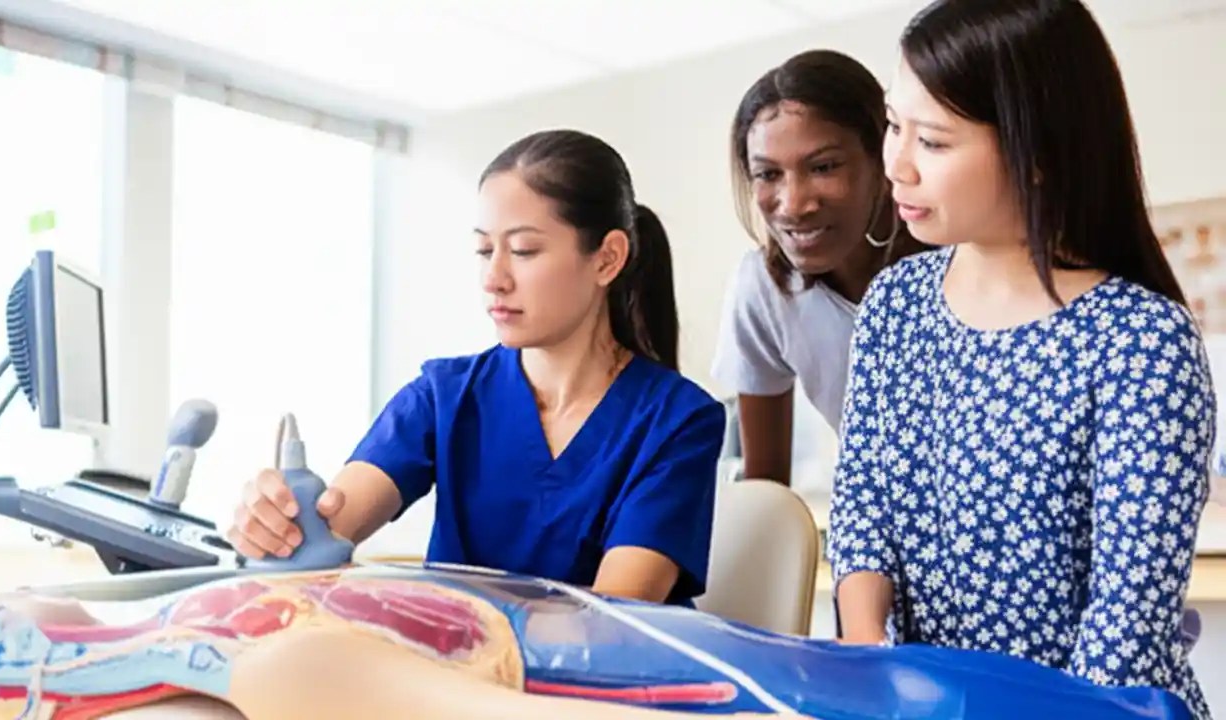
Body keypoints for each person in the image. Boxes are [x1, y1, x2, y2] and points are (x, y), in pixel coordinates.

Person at [827, 1, 1215, 718]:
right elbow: (863, 510)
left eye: (934, 143)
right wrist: (866, 659)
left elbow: (1125, 625)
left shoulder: (1142, 342)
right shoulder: (896, 303)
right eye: (891, 124)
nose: (896, 165)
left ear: (1039, 155)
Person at [226, 129, 725, 607]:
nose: (494, 278)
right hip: (462, 678)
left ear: (607, 259)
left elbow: (615, 617)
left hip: (598, 692)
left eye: (524, 250)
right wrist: (279, 529)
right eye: (485, 250)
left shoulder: (679, 421)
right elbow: (331, 527)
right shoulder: (443, 396)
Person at [0, 564, 1194, 720]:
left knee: (846, 686)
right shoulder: (237, 643)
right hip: (588, 658)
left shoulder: (250, 633)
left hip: (603, 638)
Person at [711, 50, 924, 487]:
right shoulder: (764, 288)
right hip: (876, 523)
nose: (794, 205)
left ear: (882, 157)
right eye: (768, 174)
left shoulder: (958, 260)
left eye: (824, 167)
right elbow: (765, 490)